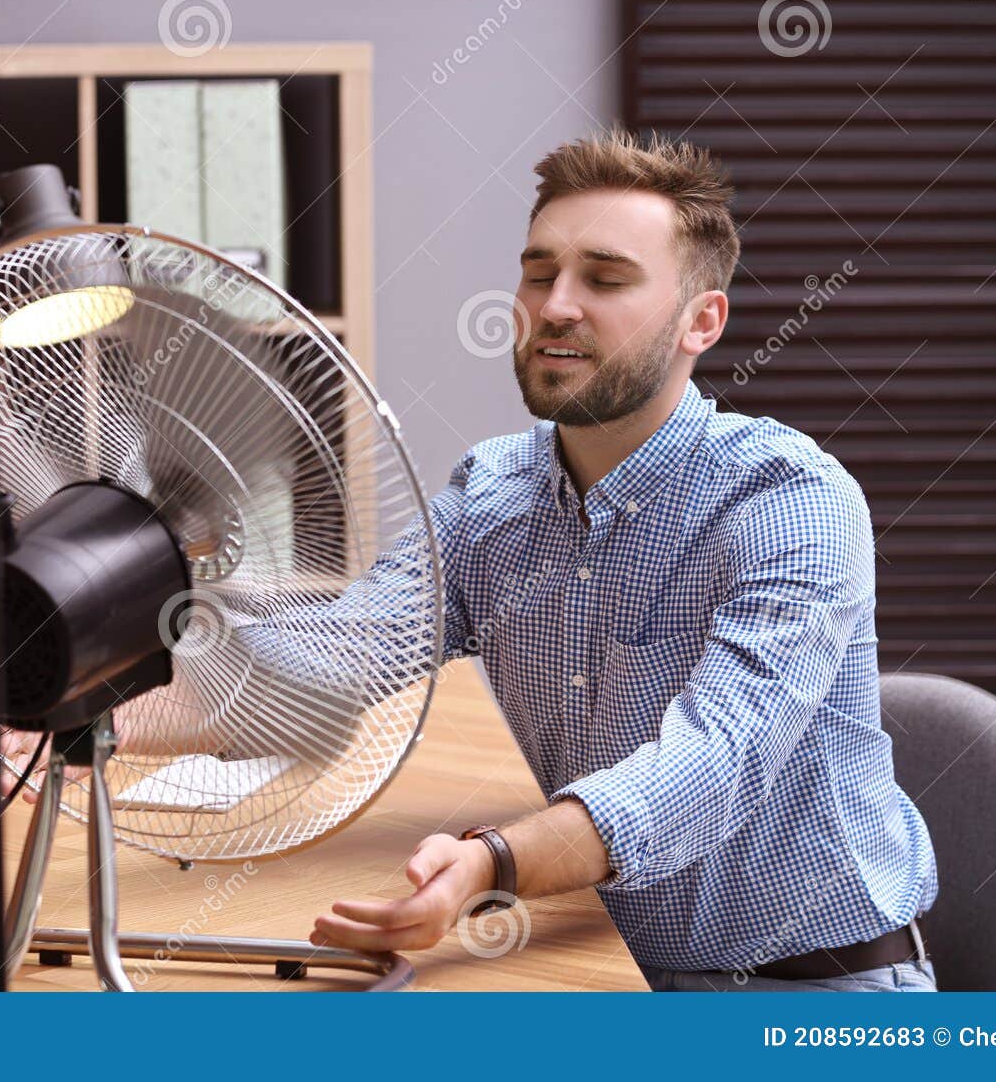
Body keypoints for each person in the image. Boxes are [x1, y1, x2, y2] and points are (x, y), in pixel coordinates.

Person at [301, 127, 939, 992]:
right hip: (600, 964)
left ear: (700, 321)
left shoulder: (790, 501)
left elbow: (712, 767)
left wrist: (495, 860)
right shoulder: (492, 494)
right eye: (539, 272)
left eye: (604, 279)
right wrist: (95, 702)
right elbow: (329, 658)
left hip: (810, 990)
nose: (555, 305)